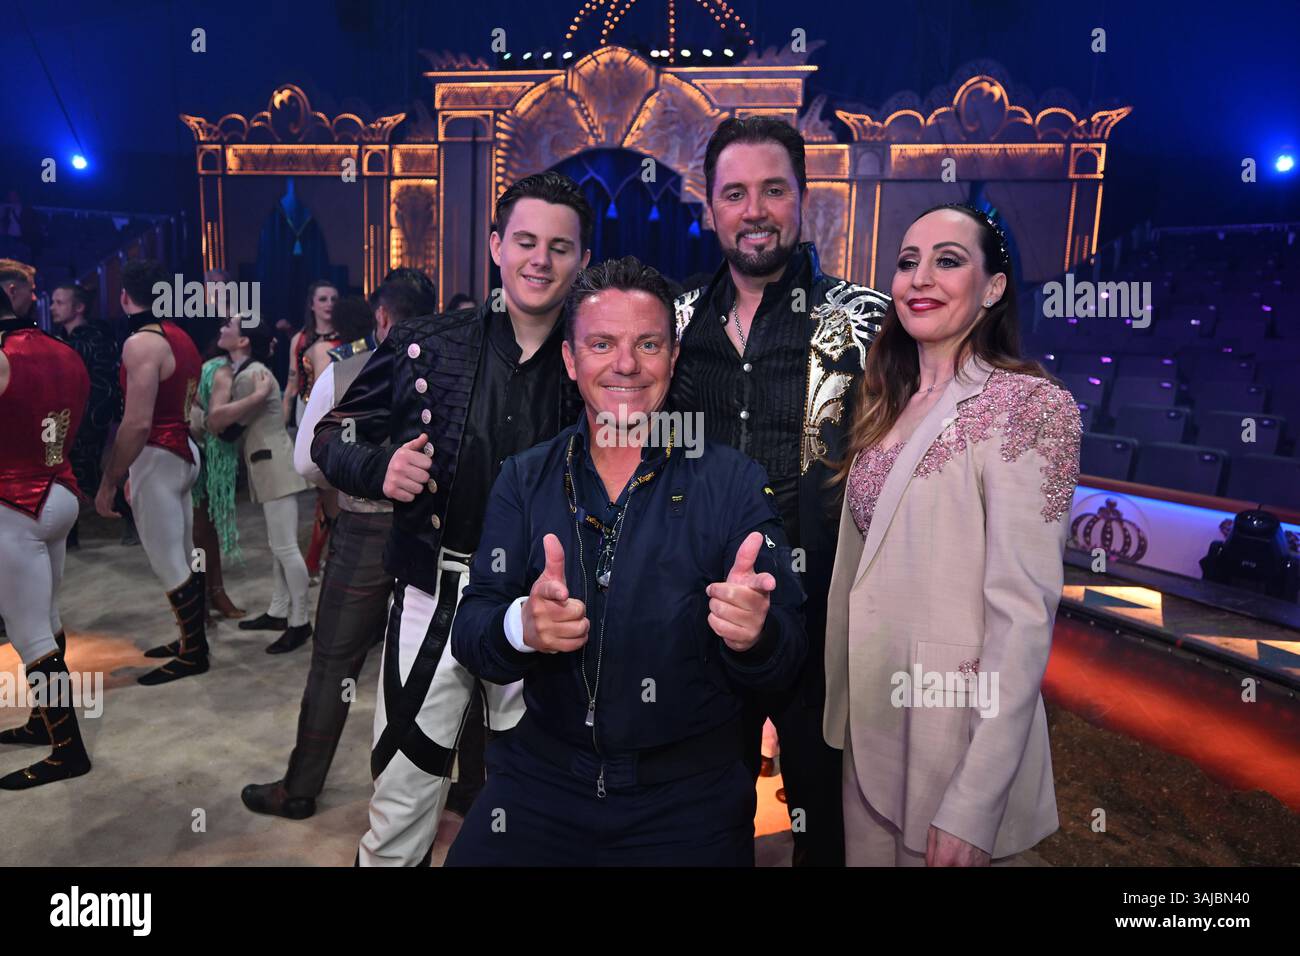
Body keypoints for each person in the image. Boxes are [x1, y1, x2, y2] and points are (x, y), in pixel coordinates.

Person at [446, 256, 807, 866]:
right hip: (543, 776)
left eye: (648, 343)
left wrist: (756, 635)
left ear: (672, 357)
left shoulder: (732, 482)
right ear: (570, 360)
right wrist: (523, 627)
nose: (625, 365)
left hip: (688, 795)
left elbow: (788, 654)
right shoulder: (525, 477)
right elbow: (472, 632)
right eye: (601, 343)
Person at [312, 171, 592, 866]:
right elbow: (330, 435)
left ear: (582, 259)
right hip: (428, 588)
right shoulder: (424, 342)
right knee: (405, 784)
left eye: (560, 247)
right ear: (496, 246)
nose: (540, 260)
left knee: (534, 790)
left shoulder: (595, 357)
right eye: (526, 241)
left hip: (544, 602)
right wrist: (379, 469)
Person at [825, 203, 1081, 866]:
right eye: (908, 262)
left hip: (952, 741)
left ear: (992, 288)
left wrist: (975, 801)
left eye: (948, 260)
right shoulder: (885, 402)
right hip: (871, 733)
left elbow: (1023, 618)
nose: (920, 278)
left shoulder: (1029, 406)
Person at [669, 116, 890, 866]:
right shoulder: (670, 324)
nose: (754, 209)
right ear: (710, 208)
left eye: (773, 189)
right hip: (694, 620)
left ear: (804, 199)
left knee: (822, 824)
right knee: (701, 821)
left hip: (822, 620)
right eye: (734, 193)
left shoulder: (866, 324)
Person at [241, 268, 436, 820]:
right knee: (445, 660)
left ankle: (299, 788)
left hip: (365, 530)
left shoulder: (345, 368)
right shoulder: (452, 367)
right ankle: (461, 795)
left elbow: (307, 462)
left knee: (334, 662)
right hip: (436, 528)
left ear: (380, 315)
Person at [95, 258, 207, 686]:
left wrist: (109, 479)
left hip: (158, 455)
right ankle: (190, 642)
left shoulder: (141, 343)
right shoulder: (182, 337)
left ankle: (194, 651)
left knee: (168, 561)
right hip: (182, 451)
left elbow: (137, 422)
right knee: (180, 554)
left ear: (125, 297)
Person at [0, 285, 92, 788]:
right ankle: (45, 725)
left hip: (14, 502)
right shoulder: (64, 350)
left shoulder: (3, 356)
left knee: (28, 629)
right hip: (60, 489)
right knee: (47, 616)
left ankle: (68, 750)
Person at [206, 314, 312, 654]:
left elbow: (221, 423)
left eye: (229, 328)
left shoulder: (251, 375)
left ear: (243, 341)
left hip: (274, 466)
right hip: (268, 465)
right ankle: (281, 611)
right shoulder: (251, 373)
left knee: (285, 548)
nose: (221, 330)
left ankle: (300, 620)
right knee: (278, 546)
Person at [50, 282, 120, 549]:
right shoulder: (63, 339)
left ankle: (128, 521)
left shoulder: (94, 339)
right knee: (67, 475)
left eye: (60, 302)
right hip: (66, 418)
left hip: (89, 418)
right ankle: (70, 537)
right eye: (54, 302)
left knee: (85, 475)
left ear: (78, 307)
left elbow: (102, 384)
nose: (54, 308)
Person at [286, 281, 340, 581]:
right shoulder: (301, 338)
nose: (328, 303)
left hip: (334, 413)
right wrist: (283, 420)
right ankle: (317, 559)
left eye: (333, 298)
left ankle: (316, 559)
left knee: (329, 488)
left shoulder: (348, 338)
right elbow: (293, 380)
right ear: (312, 303)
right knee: (319, 487)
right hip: (305, 409)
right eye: (323, 298)